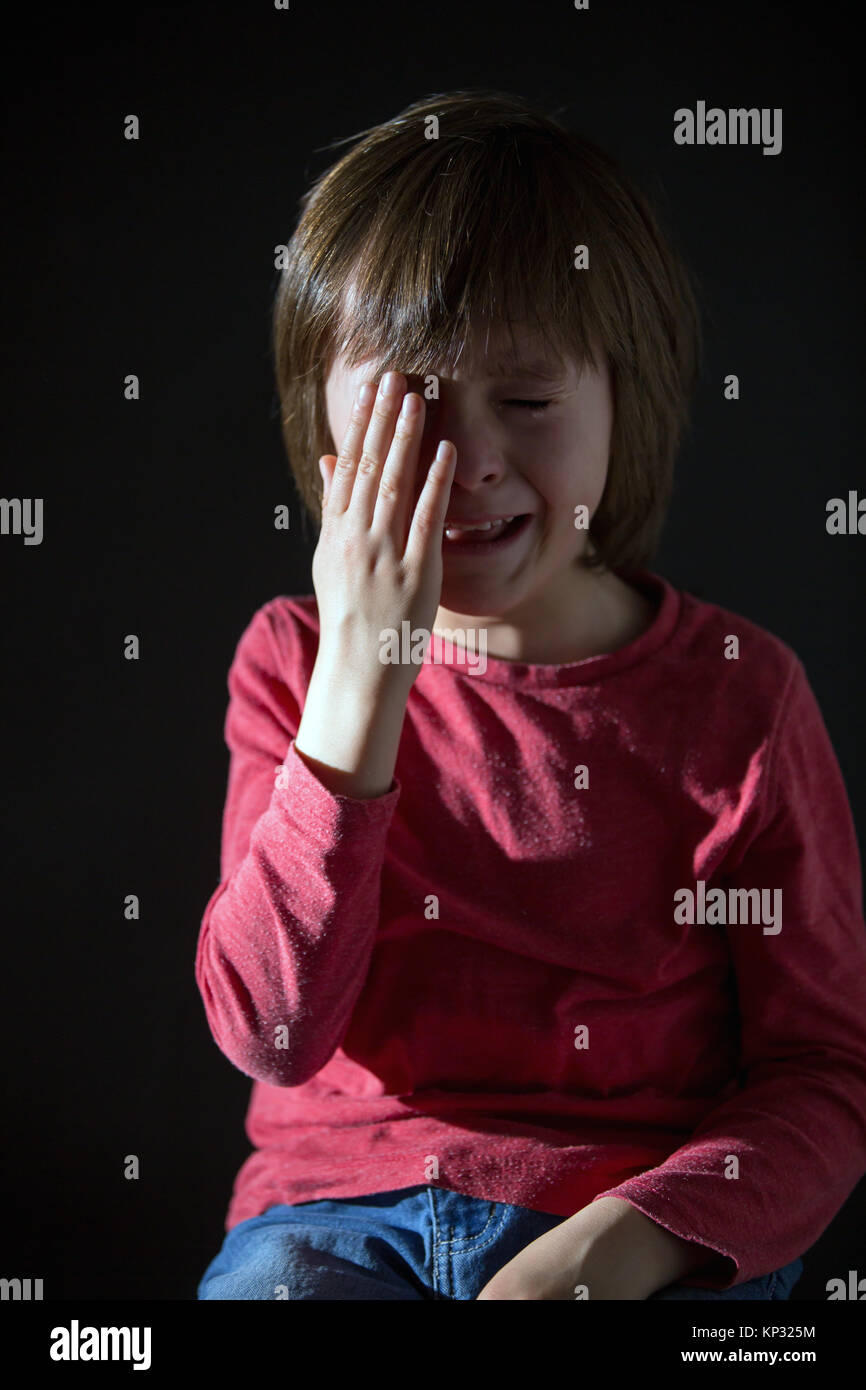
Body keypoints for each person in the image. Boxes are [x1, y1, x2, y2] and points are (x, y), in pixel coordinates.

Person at [195, 89, 866, 1299]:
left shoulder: (741, 698)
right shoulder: (293, 662)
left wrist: (622, 1241)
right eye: (412, 404)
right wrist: (363, 677)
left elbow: (823, 1075)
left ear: (624, 398)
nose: (474, 457)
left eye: (530, 398)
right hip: (335, 1230)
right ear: (327, 434)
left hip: (641, 1224)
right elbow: (273, 1033)